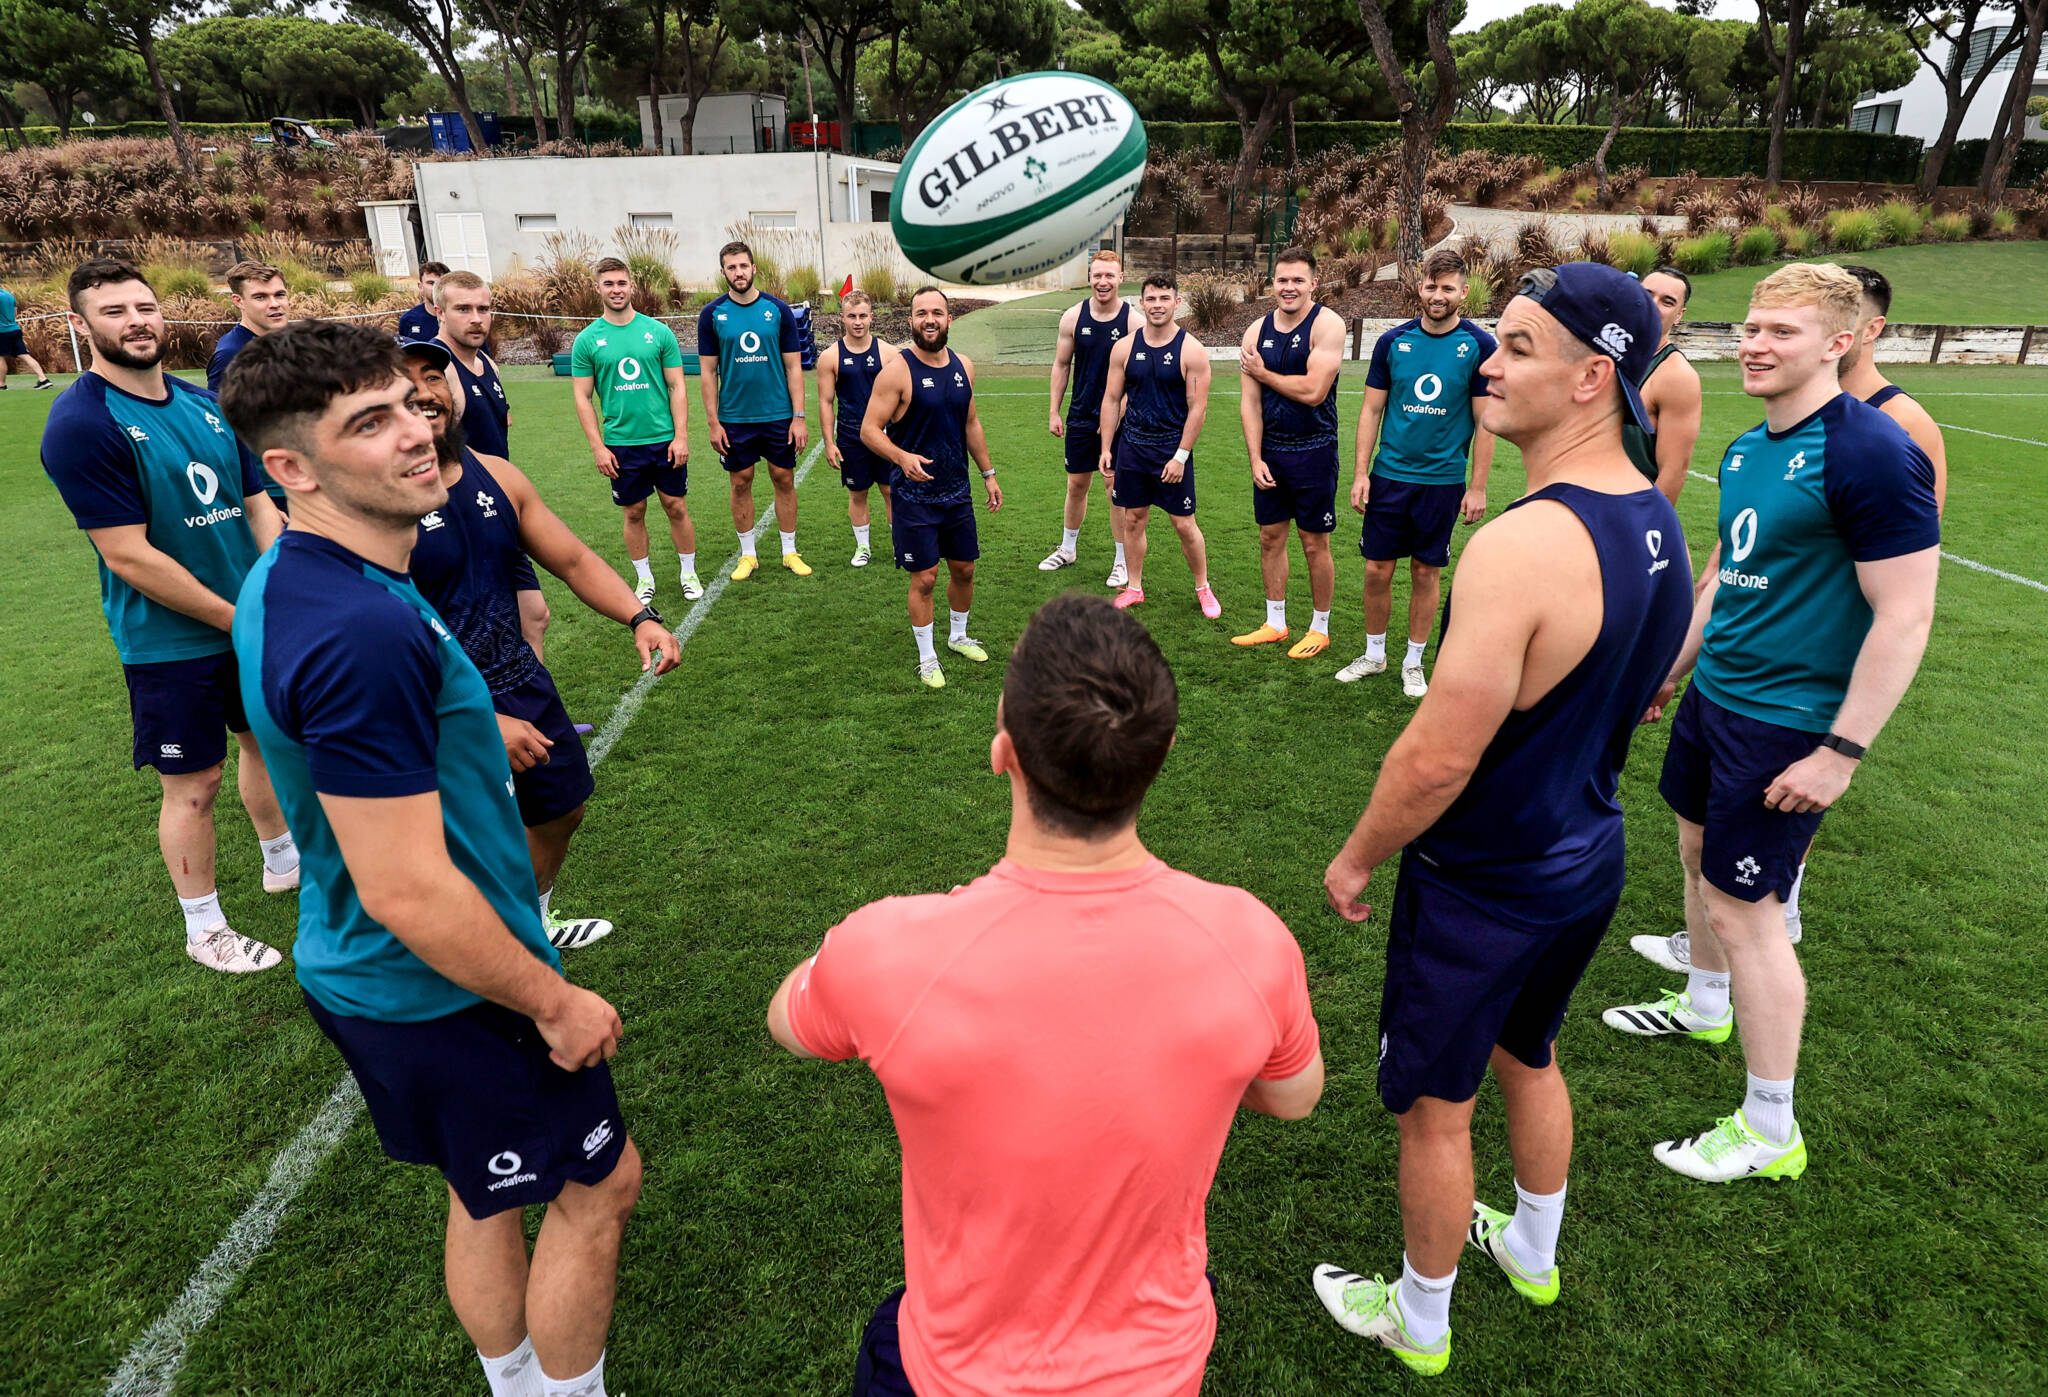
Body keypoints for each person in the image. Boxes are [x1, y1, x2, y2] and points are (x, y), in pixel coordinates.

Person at [222, 321, 642, 1397]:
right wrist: (550, 1002)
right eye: (369, 422)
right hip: (439, 986)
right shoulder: (358, 626)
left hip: (375, 972)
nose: (418, 431)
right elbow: (405, 886)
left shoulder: (309, 572)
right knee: (599, 1183)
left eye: (411, 403)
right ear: (291, 467)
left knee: (482, 1188)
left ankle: (514, 1382)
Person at [767, 592, 1323, 1397]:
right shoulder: (1251, 939)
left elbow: (788, 1019)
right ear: (1159, 757)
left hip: (952, 1373)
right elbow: (1293, 1095)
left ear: (1004, 751)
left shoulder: (888, 948)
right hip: (1157, 1373)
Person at [1312, 263, 1690, 1376]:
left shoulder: (1522, 544)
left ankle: (1417, 1317)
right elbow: (1654, 675)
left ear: (1590, 378)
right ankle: (1531, 1247)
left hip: (1486, 877)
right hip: (1586, 853)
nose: (1486, 359)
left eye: (1516, 347)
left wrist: (1353, 855)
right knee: (1530, 1050)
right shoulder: (1657, 520)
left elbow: (1434, 757)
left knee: (1435, 1105)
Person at [1602, 263, 1938, 1184]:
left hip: (1790, 721)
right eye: (1750, 327)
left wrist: (1841, 751)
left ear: (1842, 341)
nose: (1754, 344)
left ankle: (1768, 1125)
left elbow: (1906, 614)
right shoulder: (1751, 448)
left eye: (1781, 332)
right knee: (1695, 860)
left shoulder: (1867, 449)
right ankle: (1704, 1003)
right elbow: (1721, 586)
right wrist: (1664, 676)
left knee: (1748, 912)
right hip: (1721, 700)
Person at [40, 257, 297, 974]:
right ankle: (204, 926)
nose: (136, 321)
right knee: (194, 782)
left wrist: (274, 588)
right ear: (80, 325)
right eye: (115, 311)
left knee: (263, 741)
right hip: (168, 640)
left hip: (246, 616)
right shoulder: (82, 424)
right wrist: (234, 614)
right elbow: (128, 555)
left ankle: (282, 858)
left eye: (144, 306)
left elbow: (256, 504)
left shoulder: (203, 403)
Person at [401, 336, 680, 949]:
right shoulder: (377, 500)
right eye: (404, 380)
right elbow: (379, 628)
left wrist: (642, 617)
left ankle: (530, 922)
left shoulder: (495, 474)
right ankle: (476, 959)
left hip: (517, 678)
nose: (423, 392)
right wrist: (473, 716)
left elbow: (575, 559)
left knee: (561, 809)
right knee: (456, 847)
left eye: (433, 376)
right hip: (435, 697)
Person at [1336, 249, 1496, 698]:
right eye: (1431, 286)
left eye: (1448, 288)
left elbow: (1486, 423)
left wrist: (1477, 486)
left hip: (1443, 482)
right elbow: (1371, 410)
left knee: (1427, 572)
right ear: (1419, 288)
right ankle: (1373, 653)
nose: (1438, 295)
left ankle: (1413, 662)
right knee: (1376, 569)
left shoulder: (1480, 346)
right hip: (1389, 477)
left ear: (1464, 292)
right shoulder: (1393, 343)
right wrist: (1360, 473)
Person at [858, 288, 1001, 690]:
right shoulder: (897, 371)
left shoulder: (964, 366)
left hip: (956, 492)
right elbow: (868, 430)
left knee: (964, 569)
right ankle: (927, 656)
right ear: (911, 321)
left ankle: (957, 637)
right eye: (921, 313)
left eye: (937, 312)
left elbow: (970, 422)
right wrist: (902, 457)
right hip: (914, 497)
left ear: (949, 318)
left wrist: (988, 473)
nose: (930, 320)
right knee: (925, 579)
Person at [571, 258, 701, 606]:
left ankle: (688, 572)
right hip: (621, 445)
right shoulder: (587, 341)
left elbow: (677, 387)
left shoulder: (658, 333)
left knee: (676, 506)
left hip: (663, 440)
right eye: (609, 284)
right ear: (597, 288)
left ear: (632, 286)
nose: (616, 290)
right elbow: (582, 398)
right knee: (633, 512)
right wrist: (598, 447)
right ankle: (644, 578)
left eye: (622, 283)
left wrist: (681, 436)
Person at [1235, 247, 1345, 658]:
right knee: (1269, 538)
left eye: (1298, 280)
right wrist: (1255, 457)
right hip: (1272, 452)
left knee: (1314, 542)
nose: (1289, 287)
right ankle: (1275, 622)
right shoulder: (1255, 332)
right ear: (1272, 283)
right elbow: (1250, 403)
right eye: (1282, 280)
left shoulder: (1327, 325)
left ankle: (1320, 627)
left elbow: (1314, 392)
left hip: (1314, 448)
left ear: (1313, 283)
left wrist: (1265, 373)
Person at [437, 270, 550, 659]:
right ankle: (492, 718)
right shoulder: (441, 372)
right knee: (475, 635)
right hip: (463, 517)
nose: (476, 318)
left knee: (534, 616)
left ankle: (541, 715)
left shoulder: (487, 363)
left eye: (483, 309)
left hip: (498, 505)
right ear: (439, 311)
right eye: (463, 309)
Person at [1096, 272, 1219, 617]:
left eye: (1165, 299)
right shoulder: (1124, 347)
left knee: (1183, 524)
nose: (1157, 305)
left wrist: (1181, 456)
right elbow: (1111, 398)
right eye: (1151, 299)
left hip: (1171, 450)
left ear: (1177, 302)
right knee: (1133, 519)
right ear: (1141, 303)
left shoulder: (1191, 350)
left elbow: (1198, 409)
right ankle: (1134, 587)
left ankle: (1203, 587)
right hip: (1132, 447)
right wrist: (1107, 447)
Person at [697, 240, 811, 579]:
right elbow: (707, 372)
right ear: (723, 273)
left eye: (743, 266)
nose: (738, 272)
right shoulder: (712, 314)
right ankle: (748, 555)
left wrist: (799, 417)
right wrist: (713, 422)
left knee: (783, 478)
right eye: (731, 268)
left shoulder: (777, 311)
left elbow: (794, 367)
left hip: (777, 415)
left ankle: (790, 552)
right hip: (734, 418)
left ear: (753, 268)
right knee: (740, 482)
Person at [1040, 249, 1132, 584]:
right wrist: (1054, 410)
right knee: (1077, 484)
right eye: (1097, 275)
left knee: (1113, 487)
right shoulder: (1073, 318)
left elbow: (1136, 378)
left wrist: (1118, 416)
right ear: (1090, 277)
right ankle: (1068, 548)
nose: (1103, 281)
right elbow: (1062, 365)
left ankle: (1121, 561)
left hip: (1121, 419)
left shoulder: (1133, 322)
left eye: (1110, 275)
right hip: (1081, 415)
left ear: (1120, 278)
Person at [1836, 264, 1949, 511]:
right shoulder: (1799, 405)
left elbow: (1914, 540)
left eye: (1836, 322)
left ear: (1872, 329)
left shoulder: (1902, 423)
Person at [816, 289, 898, 567]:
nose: (858, 321)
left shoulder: (889, 353)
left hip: (885, 435)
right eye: (852, 316)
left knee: (890, 490)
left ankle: (900, 544)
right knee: (858, 492)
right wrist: (829, 442)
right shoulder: (829, 357)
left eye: (863, 315)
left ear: (871, 317)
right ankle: (863, 547)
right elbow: (826, 402)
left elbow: (903, 397)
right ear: (842, 318)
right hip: (851, 436)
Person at [1621, 266, 1703, 504]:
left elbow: (1673, 471)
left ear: (1679, 315)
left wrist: (1644, 529)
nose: (1652, 305)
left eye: (1667, 302)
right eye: (1647, 295)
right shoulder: (1601, 355)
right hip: (1574, 504)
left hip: (1625, 513)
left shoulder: (1676, 376)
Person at [206, 261, 289, 395]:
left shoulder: (294, 342)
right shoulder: (231, 355)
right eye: (260, 297)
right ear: (238, 301)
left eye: (279, 295)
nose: (274, 304)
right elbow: (219, 413)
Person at [0, 279, 55, 389]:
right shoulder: (9, 295)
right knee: (25, 355)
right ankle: (43, 379)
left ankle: (1, 384)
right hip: (15, 329)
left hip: (2, 332)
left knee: (0, 358)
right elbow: (15, 312)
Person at [399, 261, 448, 342]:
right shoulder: (408, 319)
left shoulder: (460, 317)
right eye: (431, 283)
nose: (436, 288)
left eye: (440, 283)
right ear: (420, 286)